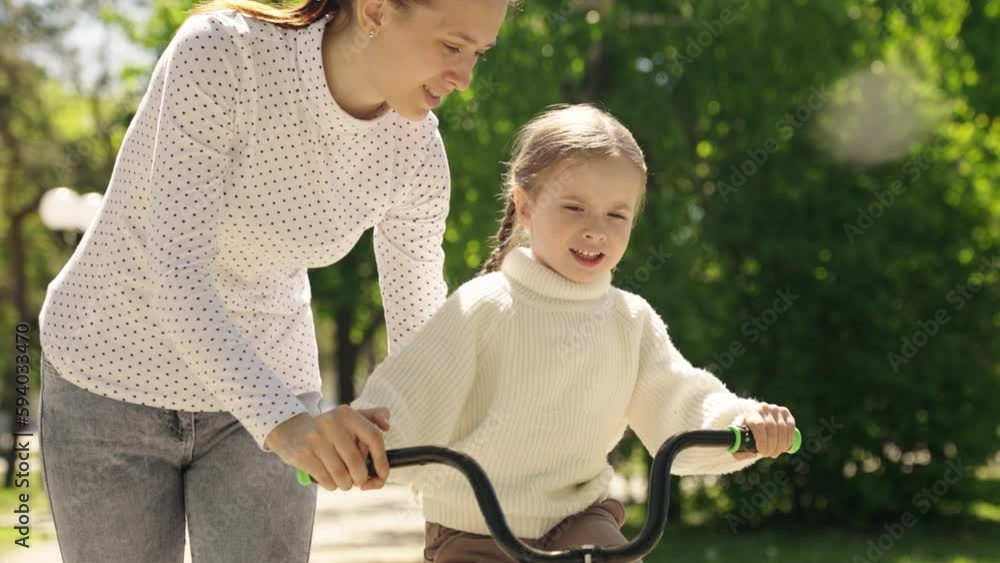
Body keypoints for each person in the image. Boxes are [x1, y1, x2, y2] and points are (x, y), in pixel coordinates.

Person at [36, 0, 508, 561]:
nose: (465, 78)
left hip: (268, 382)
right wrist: (284, 422)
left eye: (477, 53)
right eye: (452, 47)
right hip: (108, 369)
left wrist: (439, 430)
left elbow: (421, 340)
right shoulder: (222, 54)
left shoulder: (417, 157)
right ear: (376, 11)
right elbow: (177, 273)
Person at [348, 104, 798, 562]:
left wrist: (741, 425)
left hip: (578, 520)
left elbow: (680, 400)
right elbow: (414, 389)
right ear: (525, 206)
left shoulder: (629, 321)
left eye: (616, 216)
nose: (595, 230)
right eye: (574, 207)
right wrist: (359, 444)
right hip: (474, 528)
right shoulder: (482, 307)